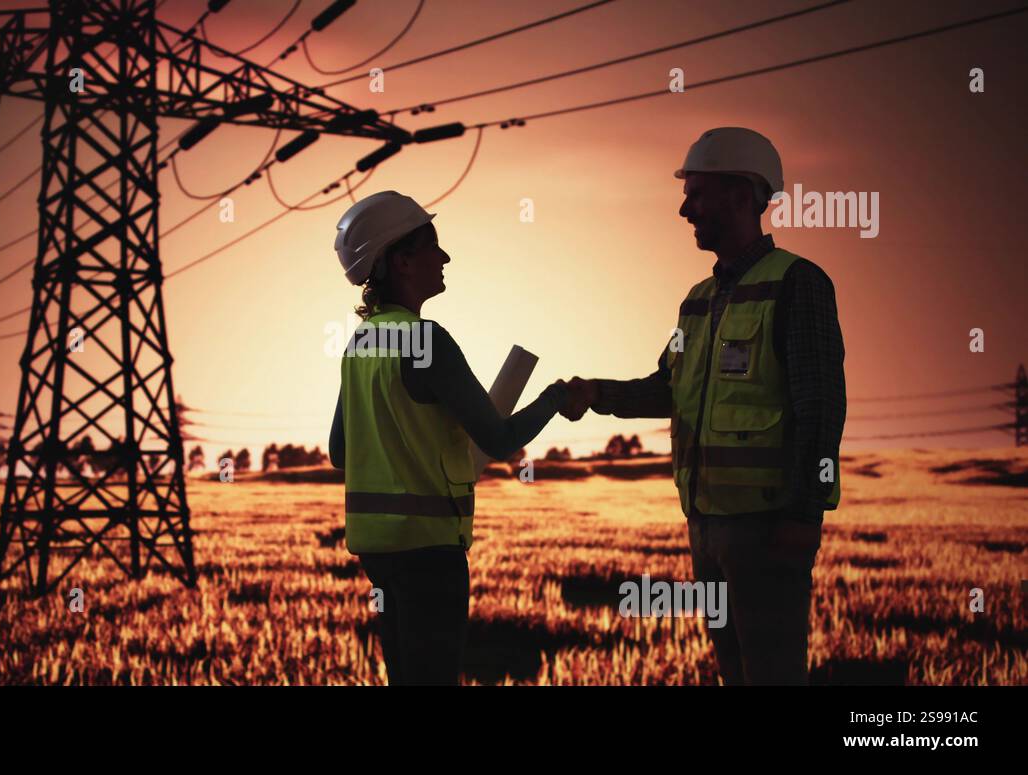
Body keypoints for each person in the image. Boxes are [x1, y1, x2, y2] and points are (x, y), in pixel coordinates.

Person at [568, 127, 846, 685]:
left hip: (767, 528)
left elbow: (820, 406)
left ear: (742, 196)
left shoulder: (798, 284)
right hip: (706, 526)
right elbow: (668, 389)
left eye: (696, 194)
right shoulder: (695, 302)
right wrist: (597, 393)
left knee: (772, 675)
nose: (684, 208)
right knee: (735, 674)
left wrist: (803, 515)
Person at [328, 190, 586, 686]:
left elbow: (341, 452)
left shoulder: (359, 344)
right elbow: (499, 438)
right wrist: (555, 398)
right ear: (401, 261)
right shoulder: (427, 341)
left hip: (377, 553)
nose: (444, 257)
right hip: (430, 554)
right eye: (432, 247)